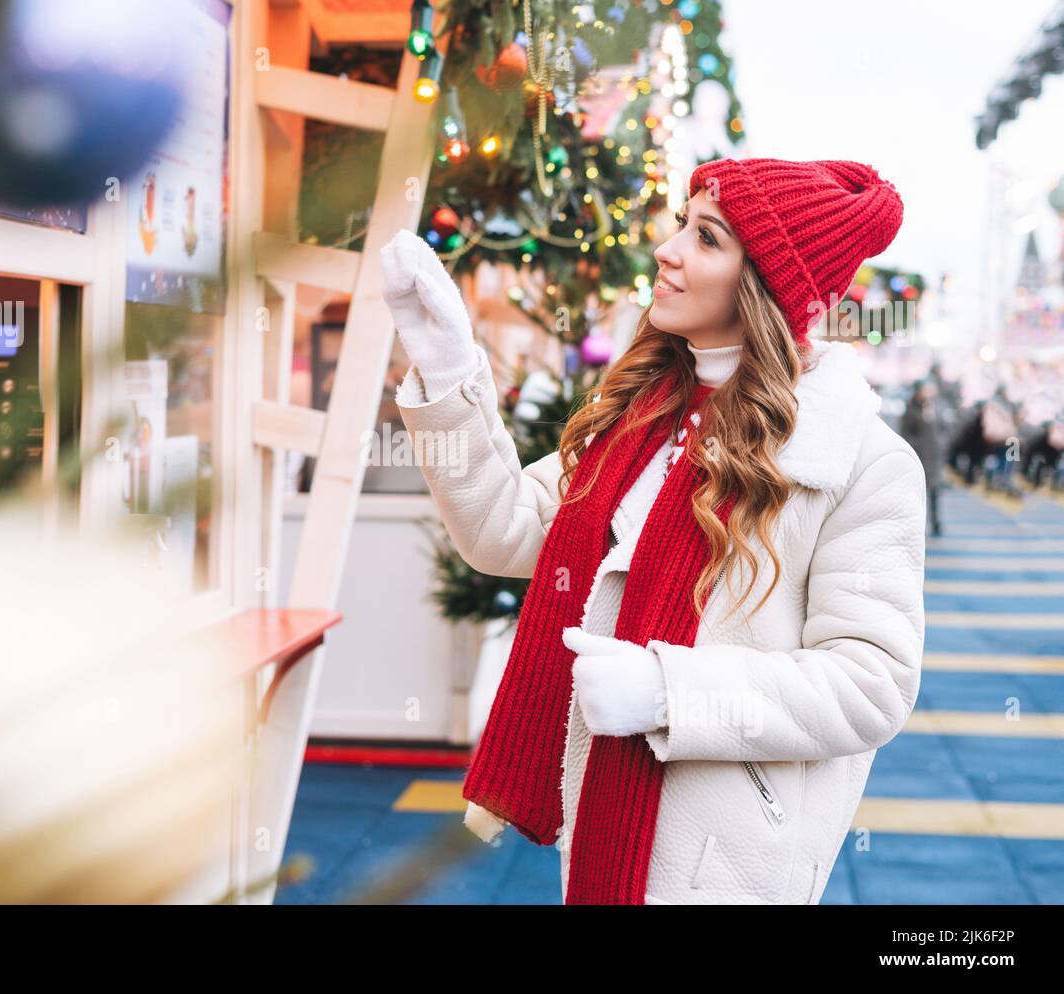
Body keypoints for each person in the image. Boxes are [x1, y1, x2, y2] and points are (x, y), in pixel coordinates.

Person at [381, 157, 927, 905]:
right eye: (681, 224)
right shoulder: (641, 417)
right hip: (606, 819)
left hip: (725, 863)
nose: (668, 250)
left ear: (767, 284)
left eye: (706, 238)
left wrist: (672, 692)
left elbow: (872, 684)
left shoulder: (858, 460)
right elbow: (499, 530)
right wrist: (446, 368)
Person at [900, 380, 944, 535]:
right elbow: (905, 433)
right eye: (926, 389)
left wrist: (941, 444)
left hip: (934, 457)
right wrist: (917, 447)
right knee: (918, 493)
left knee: (935, 492)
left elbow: (943, 428)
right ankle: (915, 524)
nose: (929, 393)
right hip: (919, 457)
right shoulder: (911, 409)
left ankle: (936, 522)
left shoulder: (934, 407)